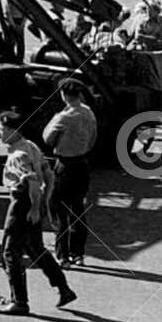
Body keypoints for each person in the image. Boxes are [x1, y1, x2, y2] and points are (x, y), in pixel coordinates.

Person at [0, 111, 77, 315]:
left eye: (1, 129)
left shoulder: (18, 155)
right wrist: (43, 204)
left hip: (21, 204)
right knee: (35, 248)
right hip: (33, 204)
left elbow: (32, 182)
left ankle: (19, 301)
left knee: (10, 252)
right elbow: (48, 175)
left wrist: (32, 206)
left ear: (13, 131)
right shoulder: (31, 146)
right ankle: (63, 288)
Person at [43, 81, 98, 266]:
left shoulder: (63, 117)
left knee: (58, 210)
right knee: (78, 209)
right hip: (82, 164)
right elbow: (93, 138)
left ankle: (63, 255)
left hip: (64, 165)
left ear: (63, 95)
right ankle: (78, 254)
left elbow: (48, 139)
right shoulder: (88, 112)